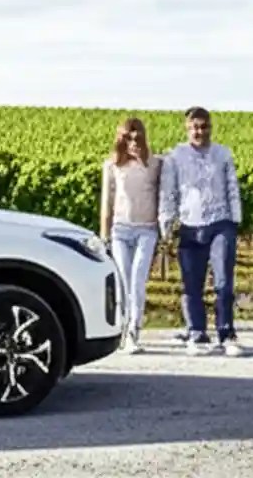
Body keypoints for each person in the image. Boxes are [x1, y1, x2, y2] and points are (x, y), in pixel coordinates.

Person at [157, 106, 245, 357]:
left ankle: (226, 333)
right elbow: (169, 192)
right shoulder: (175, 157)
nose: (199, 131)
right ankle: (197, 333)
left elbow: (232, 187)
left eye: (204, 126)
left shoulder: (223, 154)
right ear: (187, 128)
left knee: (224, 281)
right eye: (194, 127)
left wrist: (235, 218)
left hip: (221, 222)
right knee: (191, 284)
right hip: (190, 224)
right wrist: (166, 221)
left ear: (210, 127)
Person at [100, 116, 162, 354]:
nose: (134, 143)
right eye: (128, 139)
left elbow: (162, 195)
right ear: (121, 140)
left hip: (147, 229)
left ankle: (134, 331)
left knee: (137, 280)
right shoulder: (112, 166)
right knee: (123, 281)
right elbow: (107, 202)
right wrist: (104, 235)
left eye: (137, 138)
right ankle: (123, 330)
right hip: (120, 230)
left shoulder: (155, 164)